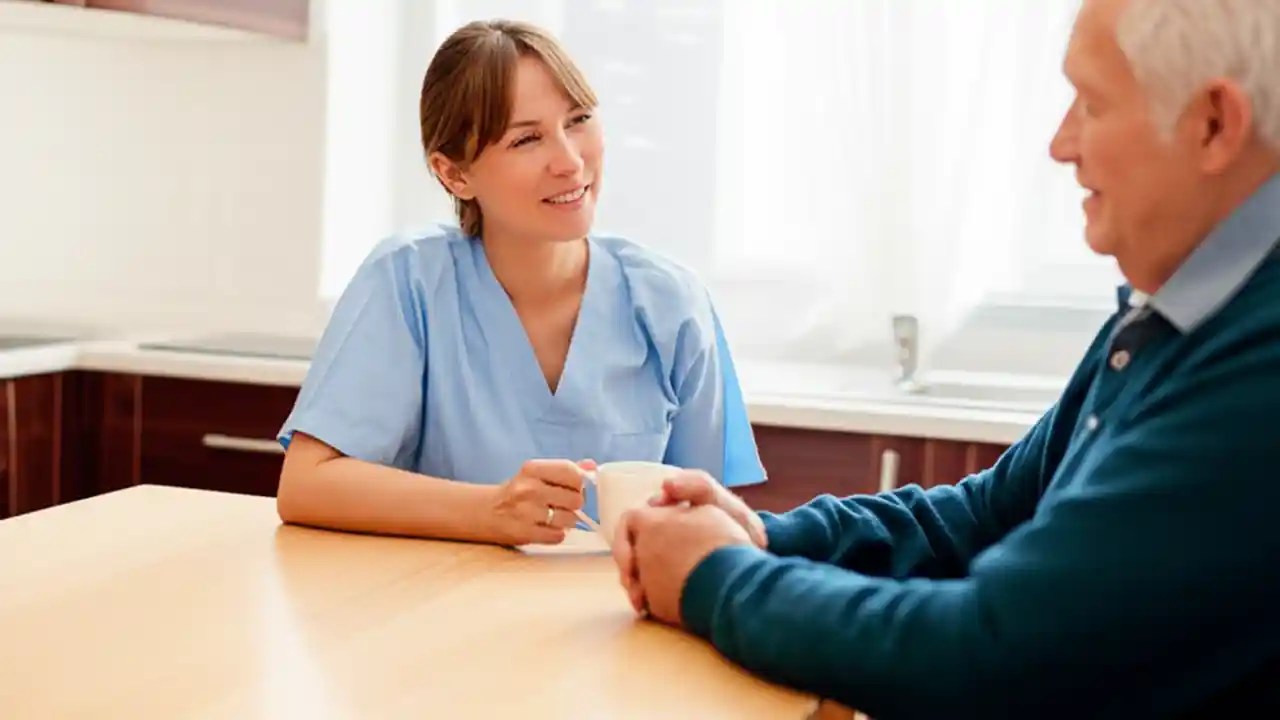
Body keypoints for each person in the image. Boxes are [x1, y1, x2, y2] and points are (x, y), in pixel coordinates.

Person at [612, 0, 1280, 716]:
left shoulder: (1256, 369)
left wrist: (715, 574)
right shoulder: (1172, 309)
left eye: (1090, 103)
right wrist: (766, 537)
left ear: (1213, 123)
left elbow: (988, 652)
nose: (1061, 144)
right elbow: (984, 516)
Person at [275, 19, 763, 547]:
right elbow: (307, 484)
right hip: (434, 605)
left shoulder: (671, 302)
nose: (571, 161)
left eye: (578, 120)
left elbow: (714, 520)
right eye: (527, 138)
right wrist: (491, 511)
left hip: (618, 615)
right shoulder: (409, 282)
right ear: (454, 174)